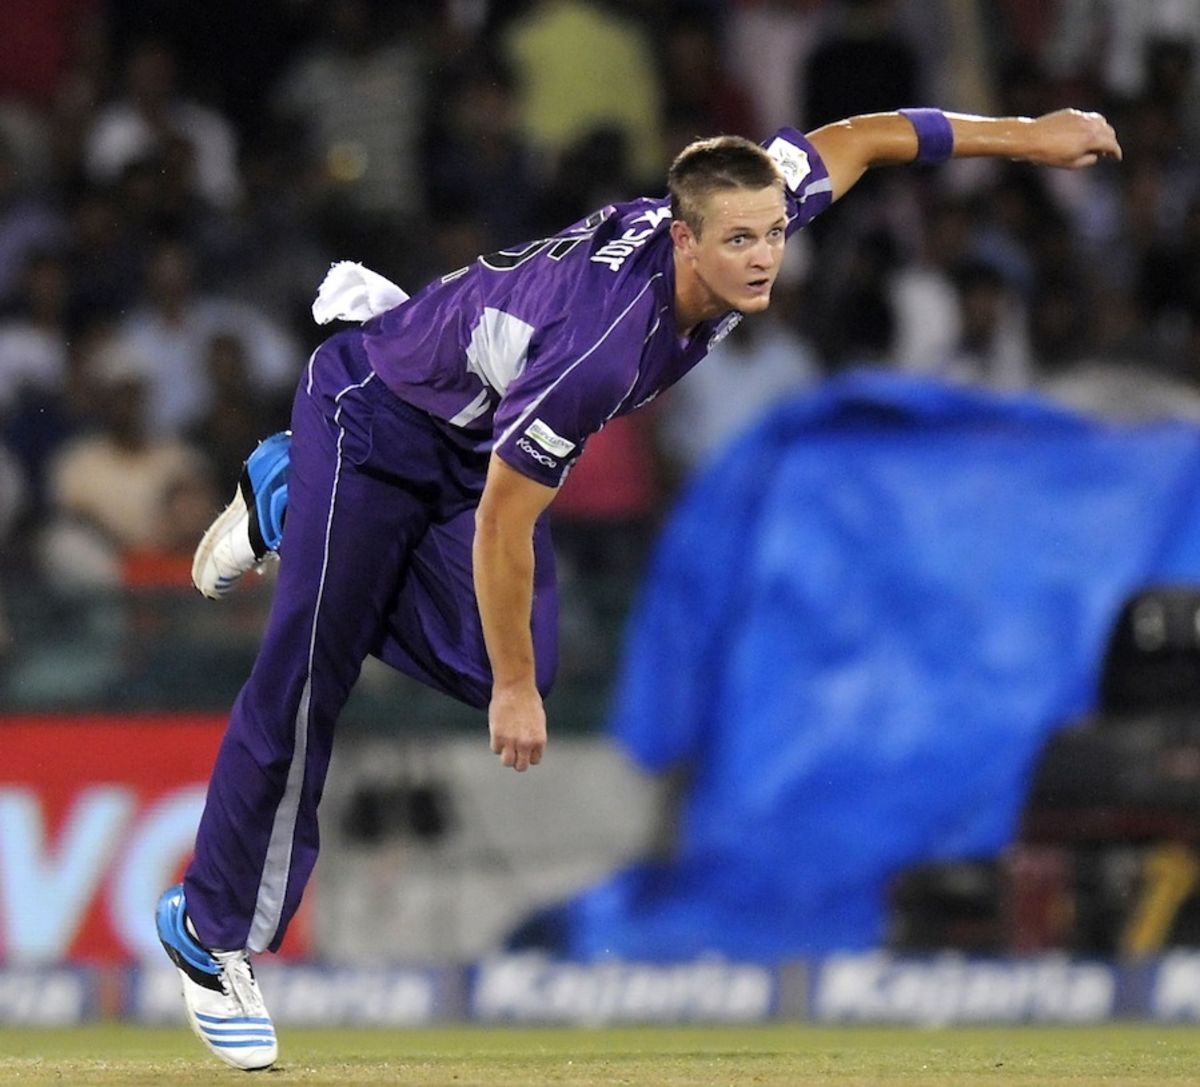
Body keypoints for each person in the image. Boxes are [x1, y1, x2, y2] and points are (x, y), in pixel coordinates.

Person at [155, 105, 1121, 1070]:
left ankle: (297, 505)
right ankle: (211, 932)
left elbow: (868, 138)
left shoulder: (728, 216)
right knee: (311, 669)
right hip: (376, 418)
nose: (764, 256)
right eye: (739, 240)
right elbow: (504, 523)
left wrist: (1033, 135)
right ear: (684, 238)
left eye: (775, 233)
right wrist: (518, 690)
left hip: (455, 425)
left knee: (489, 642)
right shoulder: (603, 343)